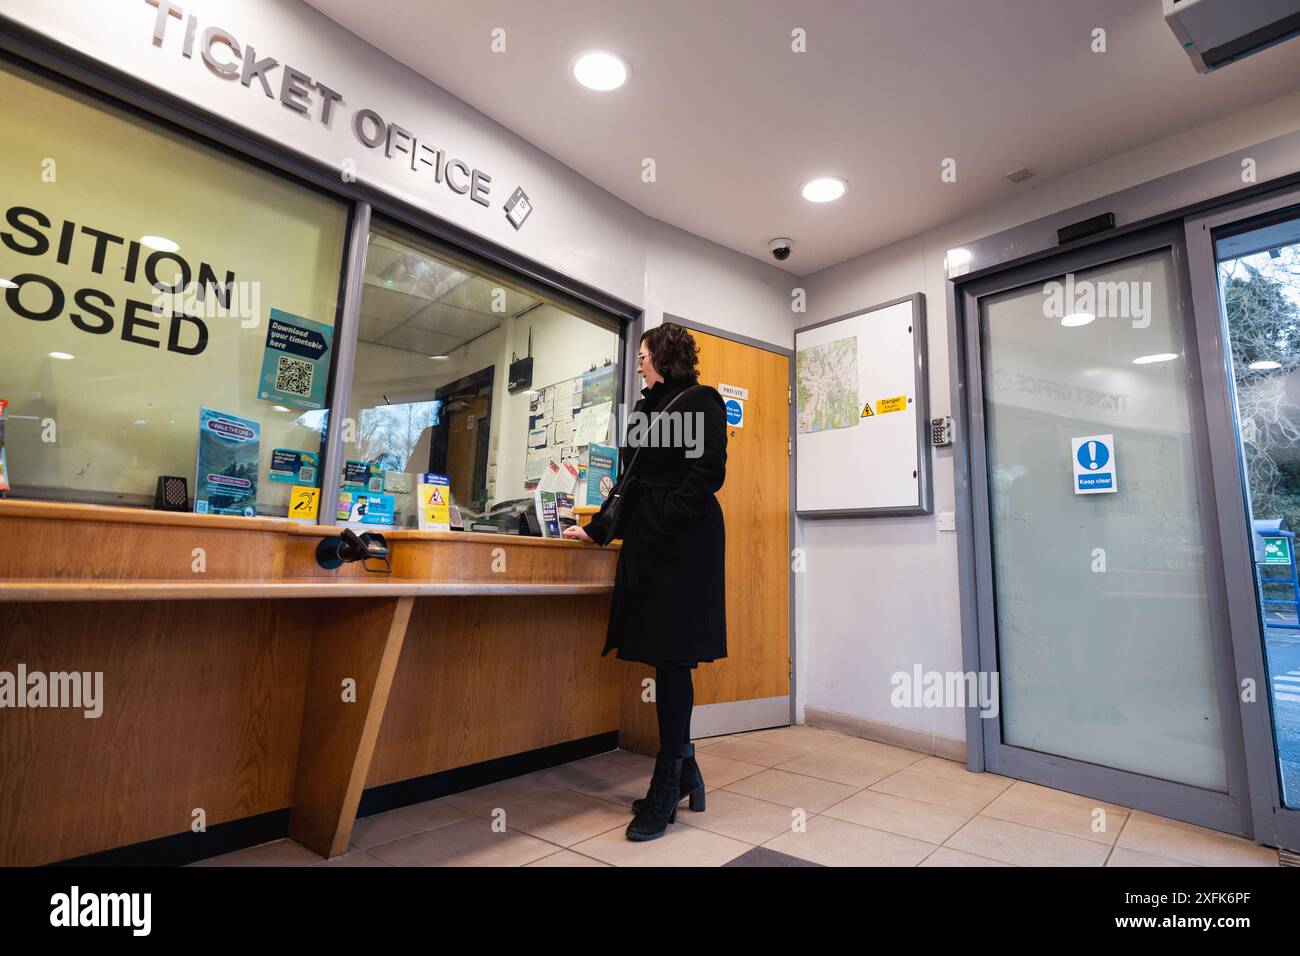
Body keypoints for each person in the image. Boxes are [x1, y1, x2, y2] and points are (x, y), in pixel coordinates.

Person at [562, 323, 728, 841]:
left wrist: (670, 516)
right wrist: (596, 529)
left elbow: (708, 473)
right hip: (648, 540)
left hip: (684, 542)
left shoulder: (702, 400)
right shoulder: (643, 409)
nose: (637, 362)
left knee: (675, 659)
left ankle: (665, 782)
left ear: (662, 354)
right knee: (661, 654)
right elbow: (628, 479)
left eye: (643, 354)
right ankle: (685, 771)